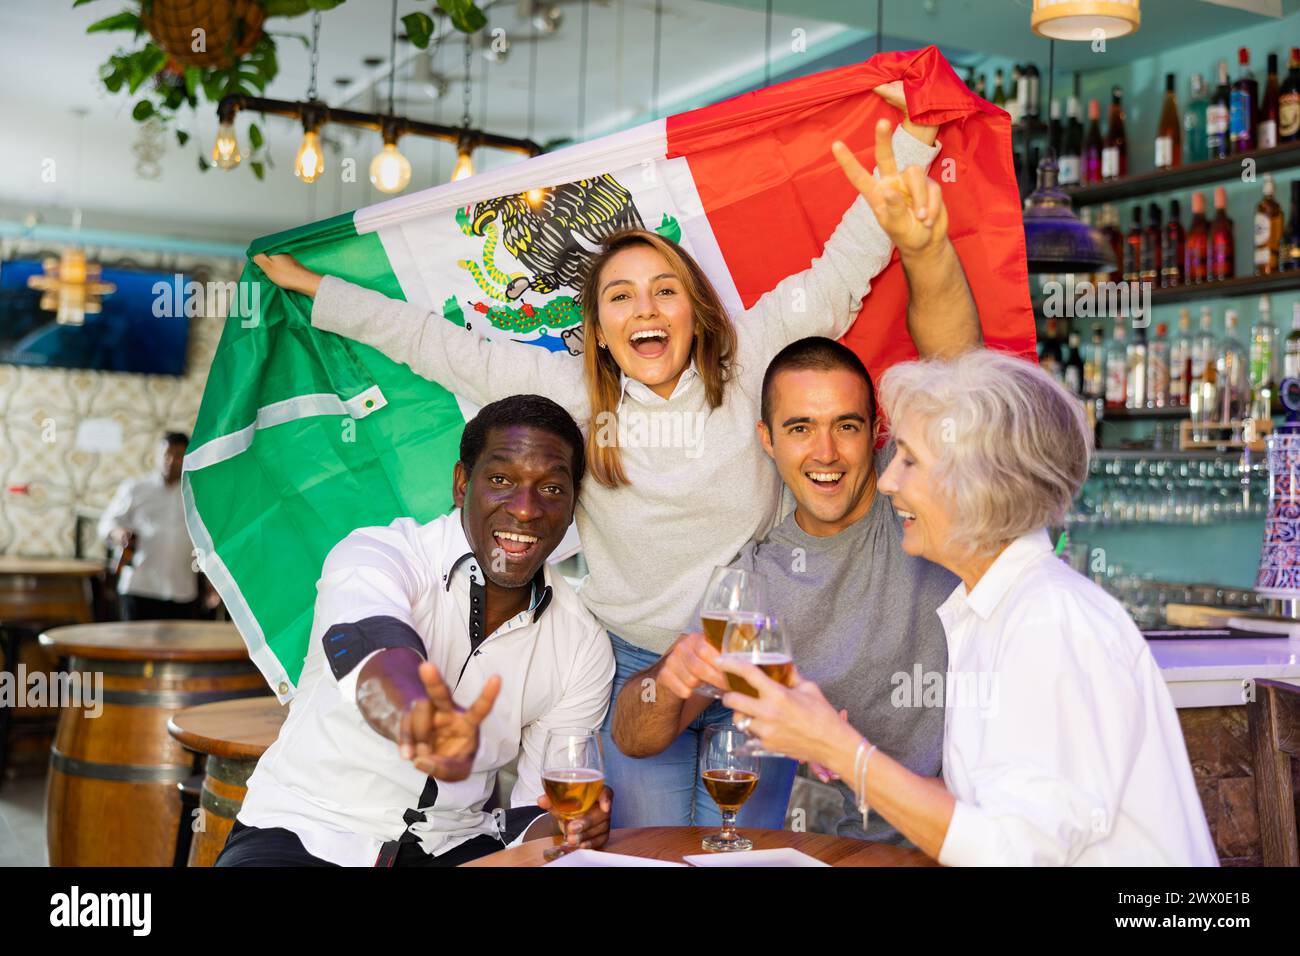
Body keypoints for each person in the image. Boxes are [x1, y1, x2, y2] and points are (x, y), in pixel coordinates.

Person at [253, 89, 982, 827]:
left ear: (694, 312)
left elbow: (839, 274)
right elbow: (438, 347)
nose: (645, 310)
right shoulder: (570, 395)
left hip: (744, 660)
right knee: (642, 854)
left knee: (740, 852)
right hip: (634, 671)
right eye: (621, 297)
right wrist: (319, 290)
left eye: (665, 291)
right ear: (597, 328)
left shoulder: (755, 363)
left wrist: (915, 145)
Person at [720, 350, 1219, 865]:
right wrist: (835, 747)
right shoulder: (984, 613)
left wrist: (839, 748)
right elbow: (981, 812)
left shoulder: (1049, 621)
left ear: (977, 481)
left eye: (910, 461)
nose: (887, 481)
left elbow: (1017, 853)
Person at [217, 395, 616, 867]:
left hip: (453, 845)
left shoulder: (582, 643)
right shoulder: (378, 555)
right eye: (502, 479)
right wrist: (421, 721)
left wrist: (571, 824)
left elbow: (534, 814)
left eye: (551, 488)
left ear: (573, 506)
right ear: (462, 484)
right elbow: (375, 656)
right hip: (306, 829)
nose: (526, 509)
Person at [610, 336, 957, 836]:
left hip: (984, 822)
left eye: (847, 426)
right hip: (866, 841)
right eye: (800, 428)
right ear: (767, 439)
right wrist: (668, 680)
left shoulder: (905, 485)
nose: (826, 453)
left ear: (876, 433)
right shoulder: (756, 582)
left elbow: (958, 356)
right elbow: (634, 737)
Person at [97, 431, 198, 620]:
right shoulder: (135, 488)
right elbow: (106, 523)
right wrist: (119, 533)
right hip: (140, 586)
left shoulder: (196, 494)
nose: (170, 461)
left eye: (177, 456)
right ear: (157, 456)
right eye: (166, 455)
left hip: (182, 588)